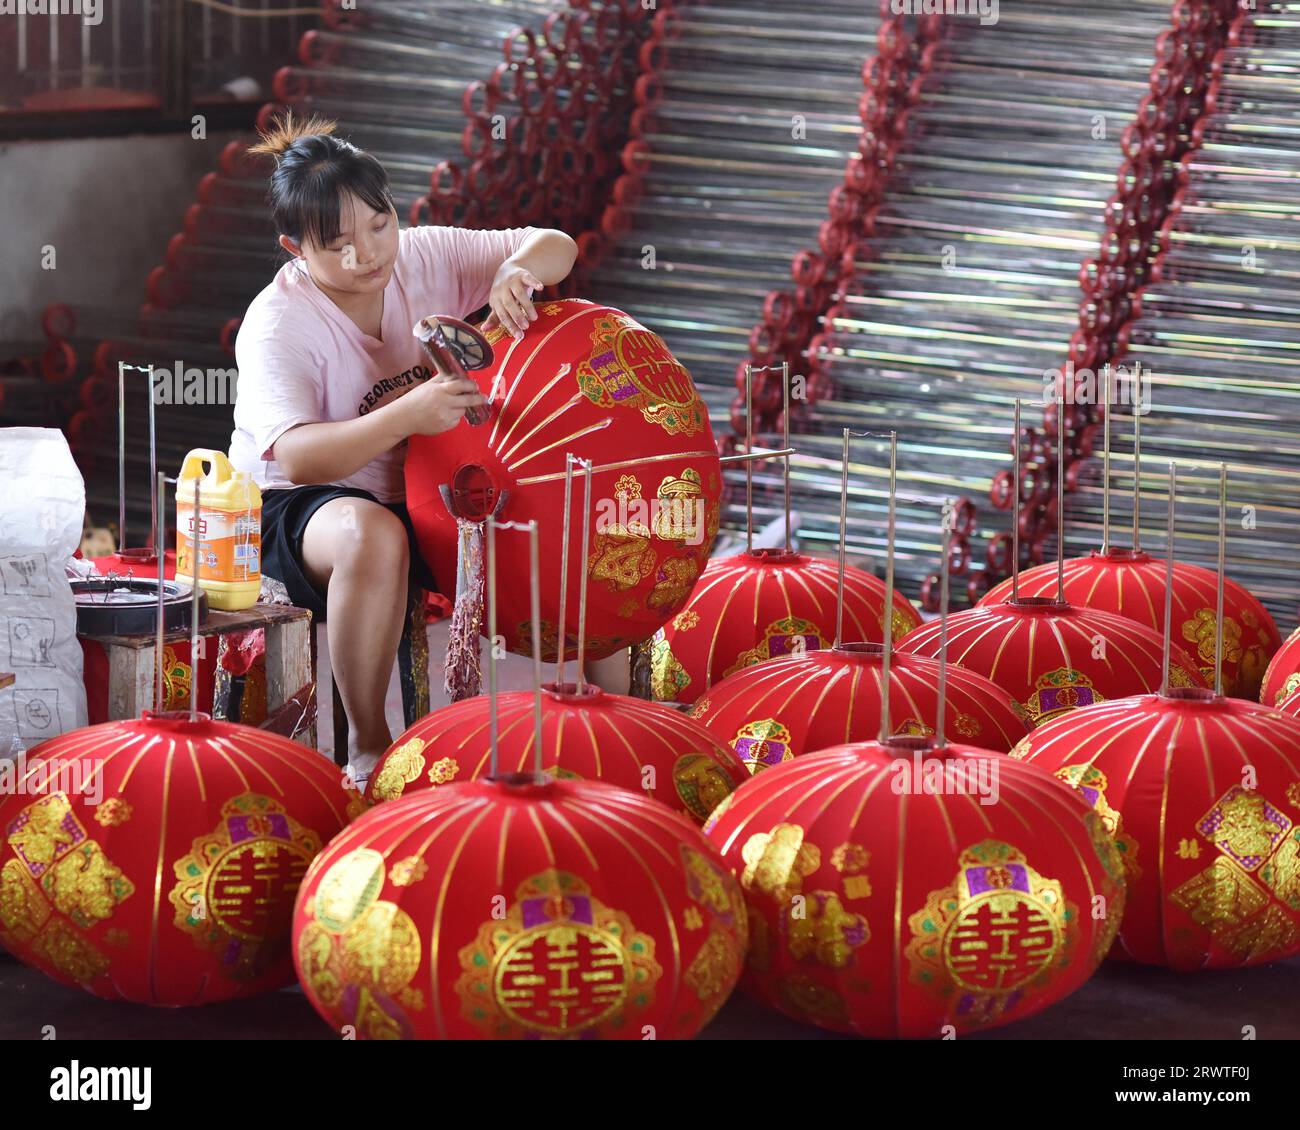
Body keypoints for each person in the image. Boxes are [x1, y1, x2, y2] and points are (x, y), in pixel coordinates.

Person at [227, 112, 578, 789]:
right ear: (295, 248)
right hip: (295, 508)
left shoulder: (423, 253)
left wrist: (516, 271)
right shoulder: (279, 323)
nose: (367, 255)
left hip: (418, 489)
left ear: (393, 210)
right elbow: (298, 457)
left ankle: (606, 724)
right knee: (370, 534)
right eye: (337, 245)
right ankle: (368, 745)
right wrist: (406, 414)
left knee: (564, 510)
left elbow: (554, 243)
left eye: (378, 224)